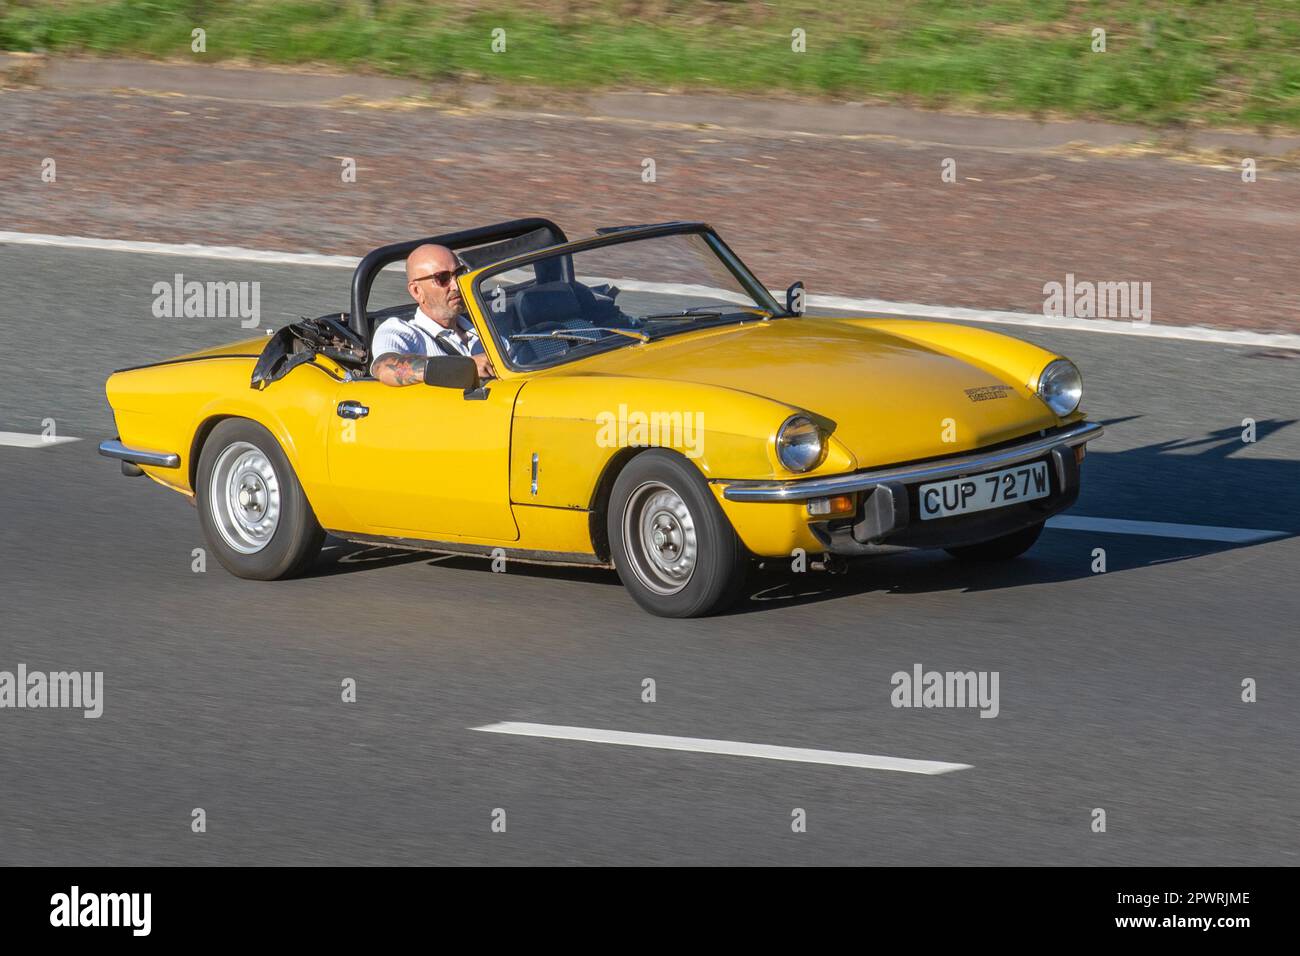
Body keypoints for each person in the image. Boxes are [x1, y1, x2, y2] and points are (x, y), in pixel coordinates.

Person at [370, 244, 496, 386]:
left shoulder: (485, 326)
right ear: (417, 291)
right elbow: (385, 369)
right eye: (443, 278)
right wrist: (465, 366)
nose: (456, 285)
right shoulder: (402, 332)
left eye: (459, 273)